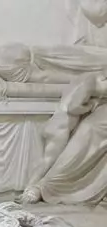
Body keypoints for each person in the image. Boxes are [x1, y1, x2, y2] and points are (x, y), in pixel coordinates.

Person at [17, 73, 107, 203]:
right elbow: (74, 107)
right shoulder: (92, 84)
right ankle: (35, 186)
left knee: (47, 160)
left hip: (57, 125)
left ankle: (33, 186)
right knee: (48, 161)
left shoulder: (86, 80)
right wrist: (90, 105)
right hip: (61, 129)